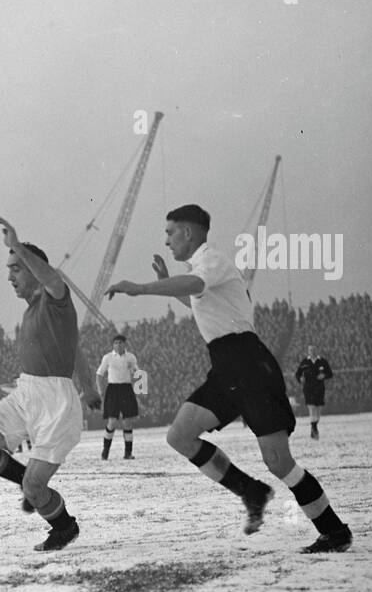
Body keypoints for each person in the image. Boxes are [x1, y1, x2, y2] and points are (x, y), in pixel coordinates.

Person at [106, 204, 352, 553]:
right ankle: (250, 491)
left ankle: (334, 531)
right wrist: (164, 282)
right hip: (225, 366)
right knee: (179, 435)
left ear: (189, 232)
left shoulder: (213, 261)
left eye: (170, 233)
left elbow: (194, 284)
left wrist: (142, 288)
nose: (167, 241)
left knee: (279, 462)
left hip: (249, 365)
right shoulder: (204, 270)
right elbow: (196, 299)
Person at [0, 216, 101, 552]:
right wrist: (91, 385)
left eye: (16, 268)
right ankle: (27, 486)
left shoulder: (55, 298)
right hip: (27, 393)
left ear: (33, 270)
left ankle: (63, 526)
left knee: (36, 489)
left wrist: (18, 245)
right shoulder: (32, 310)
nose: (9, 276)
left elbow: (54, 278)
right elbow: (75, 347)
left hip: (56, 403)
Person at [95, 334, 140, 459]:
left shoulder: (130, 357)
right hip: (113, 390)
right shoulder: (108, 358)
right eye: (116, 343)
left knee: (128, 422)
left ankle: (128, 453)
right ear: (113, 345)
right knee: (112, 422)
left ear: (125, 344)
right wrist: (100, 389)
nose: (118, 345)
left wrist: (140, 390)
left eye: (120, 342)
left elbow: (138, 373)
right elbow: (99, 374)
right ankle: (105, 451)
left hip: (126, 388)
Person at [294, 344, 333, 438]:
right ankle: (314, 429)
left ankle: (314, 427)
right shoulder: (304, 362)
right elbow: (297, 374)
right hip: (308, 389)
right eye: (310, 350)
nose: (312, 351)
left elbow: (330, 374)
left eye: (314, 349)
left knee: (318, 410)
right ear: (308, 351)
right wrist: (300, 379)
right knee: (312, 408)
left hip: (319, 388)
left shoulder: (322, 361)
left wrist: (324, 376)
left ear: (317, 350)